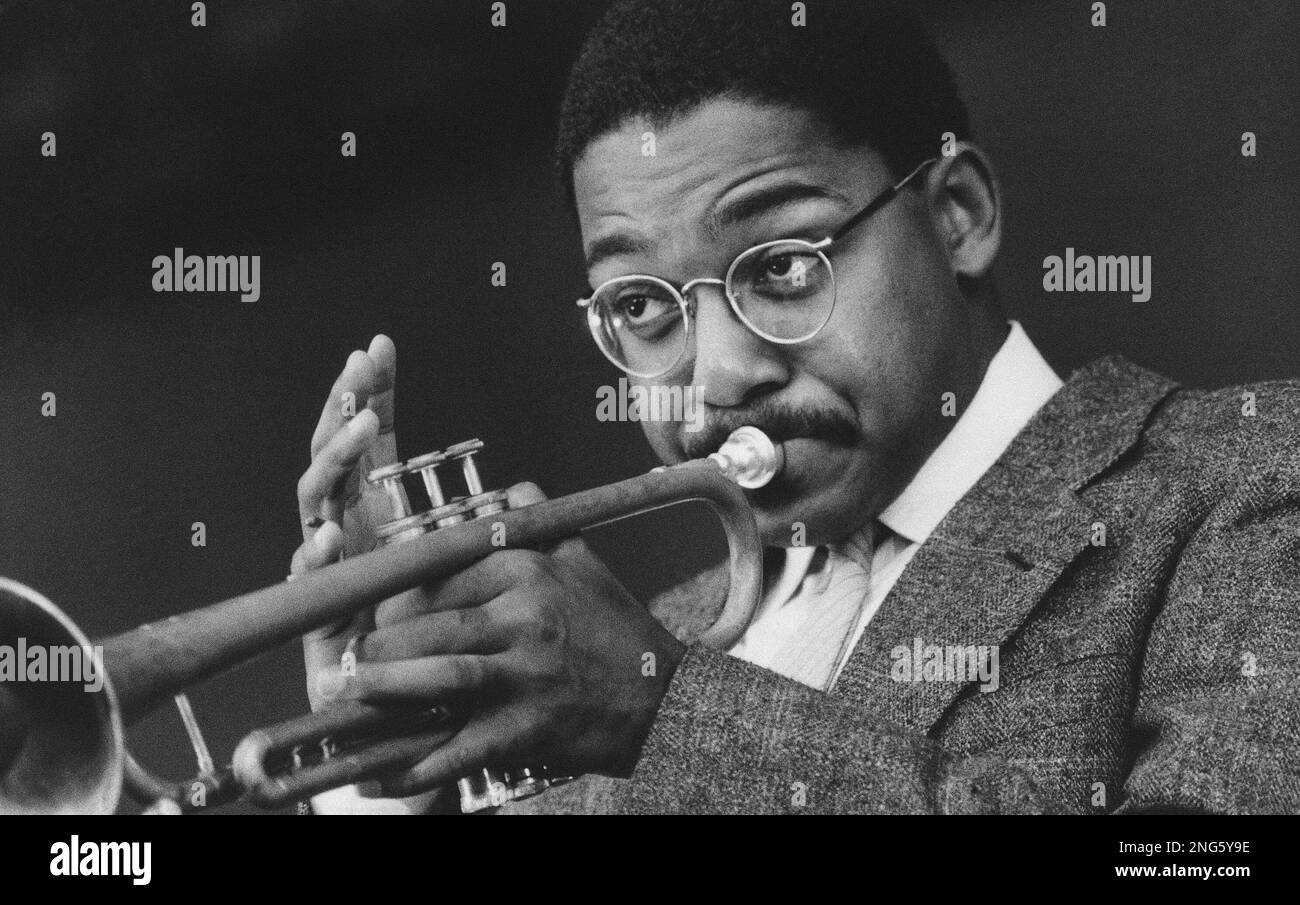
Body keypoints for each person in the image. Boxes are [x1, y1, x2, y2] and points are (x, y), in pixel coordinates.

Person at [291, 0, 1299, 814]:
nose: (718, 375)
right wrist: (387, 774)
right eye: (641, 305)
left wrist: (668, 711)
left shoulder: (1245, 484)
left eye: (780, 265)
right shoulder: (640, 645)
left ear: (958, 215)